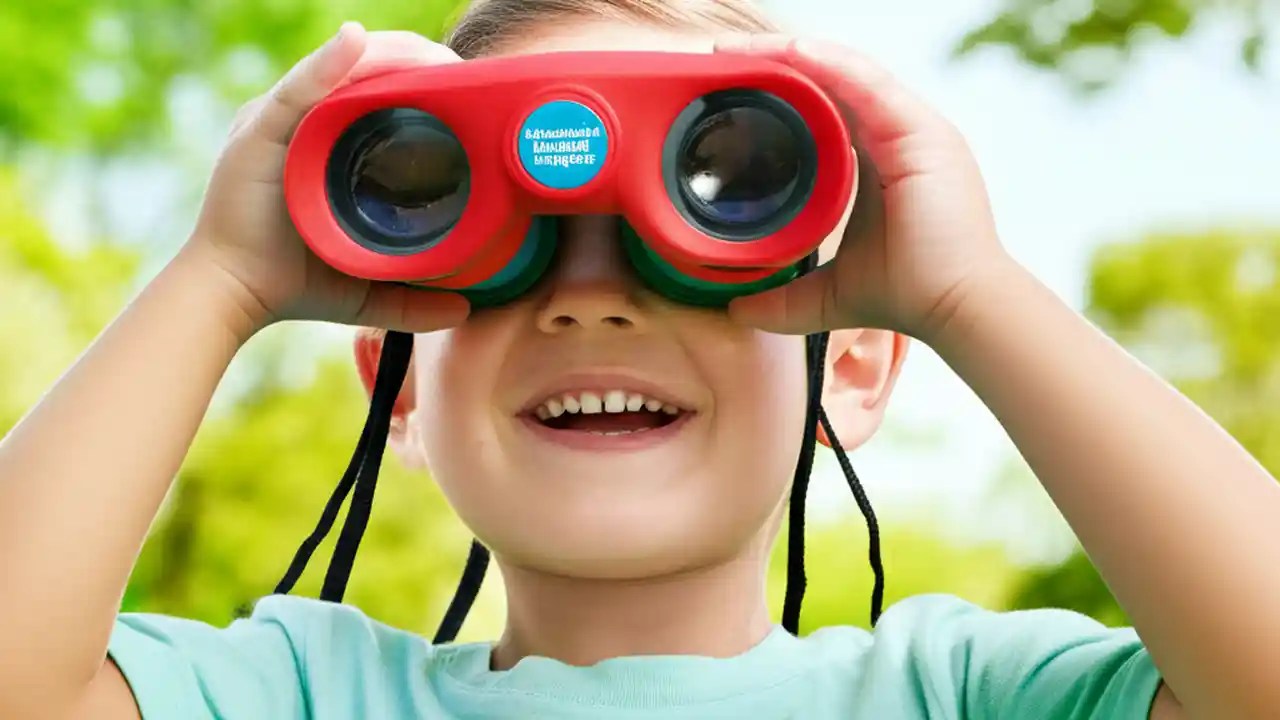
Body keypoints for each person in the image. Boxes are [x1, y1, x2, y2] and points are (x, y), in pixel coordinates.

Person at [1, 0, 1276, 718]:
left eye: (701, 235)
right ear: (391, 384)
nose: (590, 303)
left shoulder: (960, 692)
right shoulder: (302, 689)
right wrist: (218, 276)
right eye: (506, 255)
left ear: (853, 367)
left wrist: (967, 287)